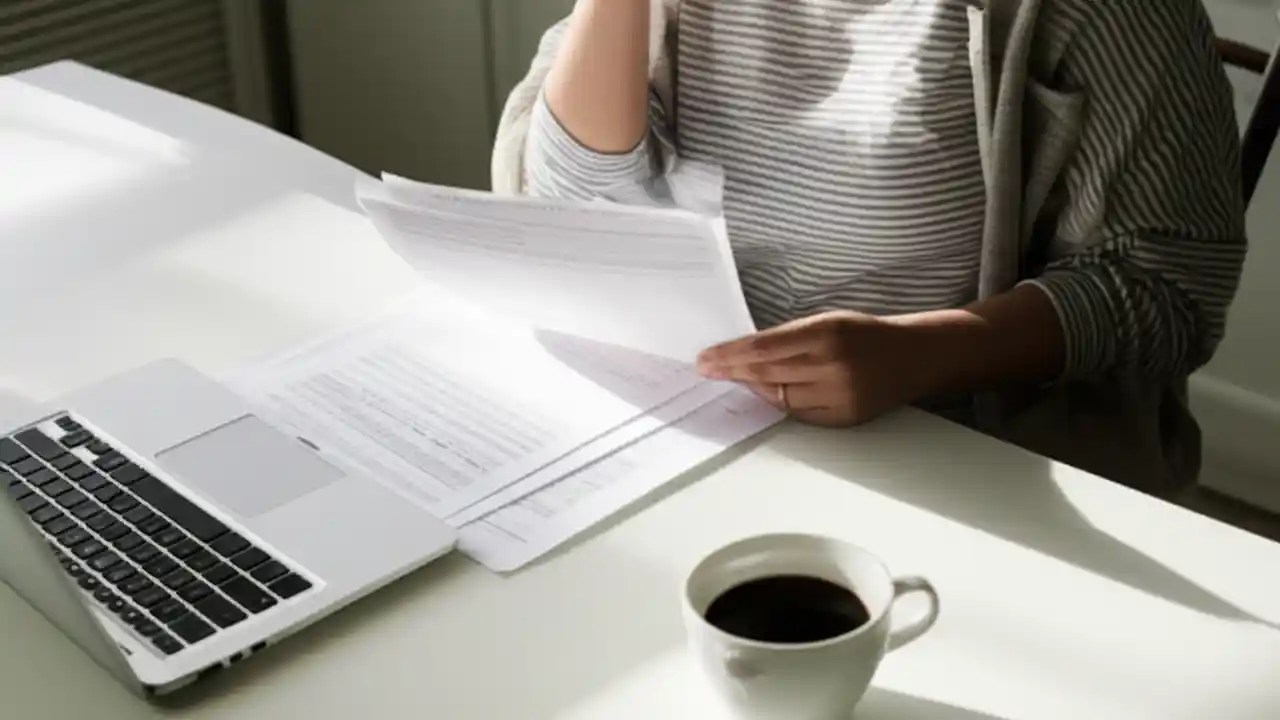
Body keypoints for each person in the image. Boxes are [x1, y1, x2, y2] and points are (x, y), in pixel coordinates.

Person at [491, 0, 1247, 497]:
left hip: (958, 464)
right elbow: (571, 206)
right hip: (693, 442)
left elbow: (1172, 284)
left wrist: (923, 354)